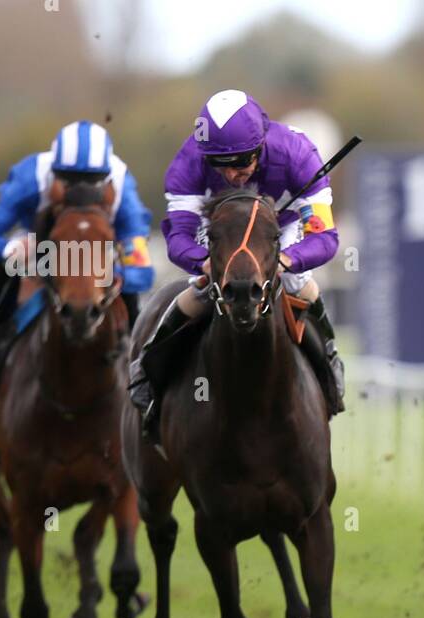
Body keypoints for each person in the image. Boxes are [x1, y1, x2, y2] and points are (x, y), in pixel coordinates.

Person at [129, 89, 344, 441]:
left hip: (280, 227)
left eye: (243, 160)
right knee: (203, 288)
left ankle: (327, 364)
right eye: (220, 164)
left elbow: (325, 238)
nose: (233, 174)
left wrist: (287, 258)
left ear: (260, 146)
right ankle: (149, 369)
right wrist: (204, 264)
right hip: (220, 229)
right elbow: (179, 237)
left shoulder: (298, 153)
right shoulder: (187, 164)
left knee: (295, 282)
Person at [0, 120, 153, 396]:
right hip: (43, 252)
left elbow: (142, 270)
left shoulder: (123, 189)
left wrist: (112, 273)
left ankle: (142, 368)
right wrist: (8, 249)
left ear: (108, 177)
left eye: (92, 182)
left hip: (97, 260)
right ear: (53, 171)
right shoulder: (30, 178)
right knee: (7, 270)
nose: (80, 191)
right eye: (69, 180)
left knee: (131, 296)